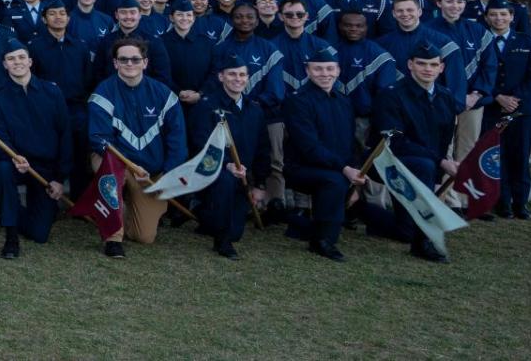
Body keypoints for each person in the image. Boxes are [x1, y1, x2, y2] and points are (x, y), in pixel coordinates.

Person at [86, 36, 186, 257]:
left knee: (144, 236)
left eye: (135, 59)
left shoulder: (164, 95)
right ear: (115, 63)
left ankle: (114, 209)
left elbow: (177, 140)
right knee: (111, 177)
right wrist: (130, 166)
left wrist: (167, 174)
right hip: (115, 162)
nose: (129, 64)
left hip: (150, 171)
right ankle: (113, 238)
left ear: (145, 62)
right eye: (123, 59)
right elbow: (99, 138)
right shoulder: (102, 93)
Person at [372, 42, 464, 262]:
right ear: (410, 65)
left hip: (427, 167)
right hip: (391, 163)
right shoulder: (391, 94)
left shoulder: (445, 96)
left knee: (405, 231)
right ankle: (424, 242)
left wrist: (442, 165)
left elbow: (444, 139)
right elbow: (396, 143)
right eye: (421, 64)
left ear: (441, 68)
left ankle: (363, 212)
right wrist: (440, 162)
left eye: (433, 65)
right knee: (424, 165)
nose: (427, 69)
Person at [0, 38, 69, 259]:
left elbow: (65, 135)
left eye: (21, 57)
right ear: (5, 65)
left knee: (39, 234)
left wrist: (59, 178)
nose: (17, 62)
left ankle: (9, 210)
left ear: (30, 61)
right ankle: (11, 237)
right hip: (16, 163)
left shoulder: (52, 92)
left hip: (45, 168)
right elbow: (0, 139)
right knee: (2, 169)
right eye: (11, 59)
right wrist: (13, 157)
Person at [186, 54, 271, 259]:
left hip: (242, 176)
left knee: (236, 232)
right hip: (212, 172)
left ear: (248, 78)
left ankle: (205, 216)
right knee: (225, 184)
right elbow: (199, 143)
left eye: (242, 75)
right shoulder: (206, 105)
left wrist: (259, 184)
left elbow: (262, 149)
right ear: (221, 77)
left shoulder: (255, 110)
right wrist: (226, 165)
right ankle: (221, 243)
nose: (237, 79)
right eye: (232, 74)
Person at [283, 48, 359, 261]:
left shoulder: (344, 101)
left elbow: (350, 142)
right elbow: (309, 146)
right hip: (302, 167)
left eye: (329, 69)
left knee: (340, 181)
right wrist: (344, 169)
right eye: (318, 69)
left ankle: (301, 226)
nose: (324, 74)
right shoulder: (297, 100)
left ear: (338, 70)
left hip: (335, 166)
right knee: (335, 181)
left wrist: (356, 171)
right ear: (308, 71)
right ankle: (322, 241)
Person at [483, 0, 531, 219]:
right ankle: (502, 203)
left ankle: (521, 203)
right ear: (487, 17)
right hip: (492, 108)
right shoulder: (481, 41)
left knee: (520, 156)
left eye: (503, 14)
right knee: (496, 157)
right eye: (493, 14)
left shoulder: (527, 41)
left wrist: (515, 98)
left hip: (522, 109)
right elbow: (476, 74)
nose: (498, 18)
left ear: (512, 16)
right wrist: (497, 97)